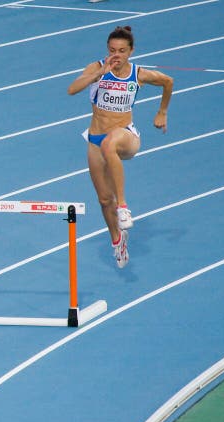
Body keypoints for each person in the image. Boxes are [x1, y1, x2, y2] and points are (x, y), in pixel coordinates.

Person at [67, 26, 173, 268]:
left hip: (125, 137)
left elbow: (168, 82)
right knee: (104, 200)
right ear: (108, 49)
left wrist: (162, 112)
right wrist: (98, 74)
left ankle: (124, 207)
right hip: (95, 139)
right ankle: (118, 240)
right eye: (113, 50)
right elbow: (72, 89)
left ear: (131, 51)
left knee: (111, 141)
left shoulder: (138, 74)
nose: (117, 55)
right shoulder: (96, 68)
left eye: (122, 51)